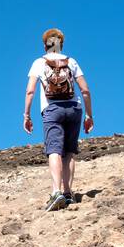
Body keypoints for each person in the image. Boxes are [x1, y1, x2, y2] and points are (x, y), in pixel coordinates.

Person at [22, 28, 93, 211]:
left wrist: (27, 115)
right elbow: (85, 90)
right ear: (61, 43)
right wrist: (89, 115)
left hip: (52, 109)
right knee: (69, 152)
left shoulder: (39, 62)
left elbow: (30, 91)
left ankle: (56, 192)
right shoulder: (71, 61)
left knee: (54, 150)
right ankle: (68, 193)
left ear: (45, 44)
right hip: (74, 109)